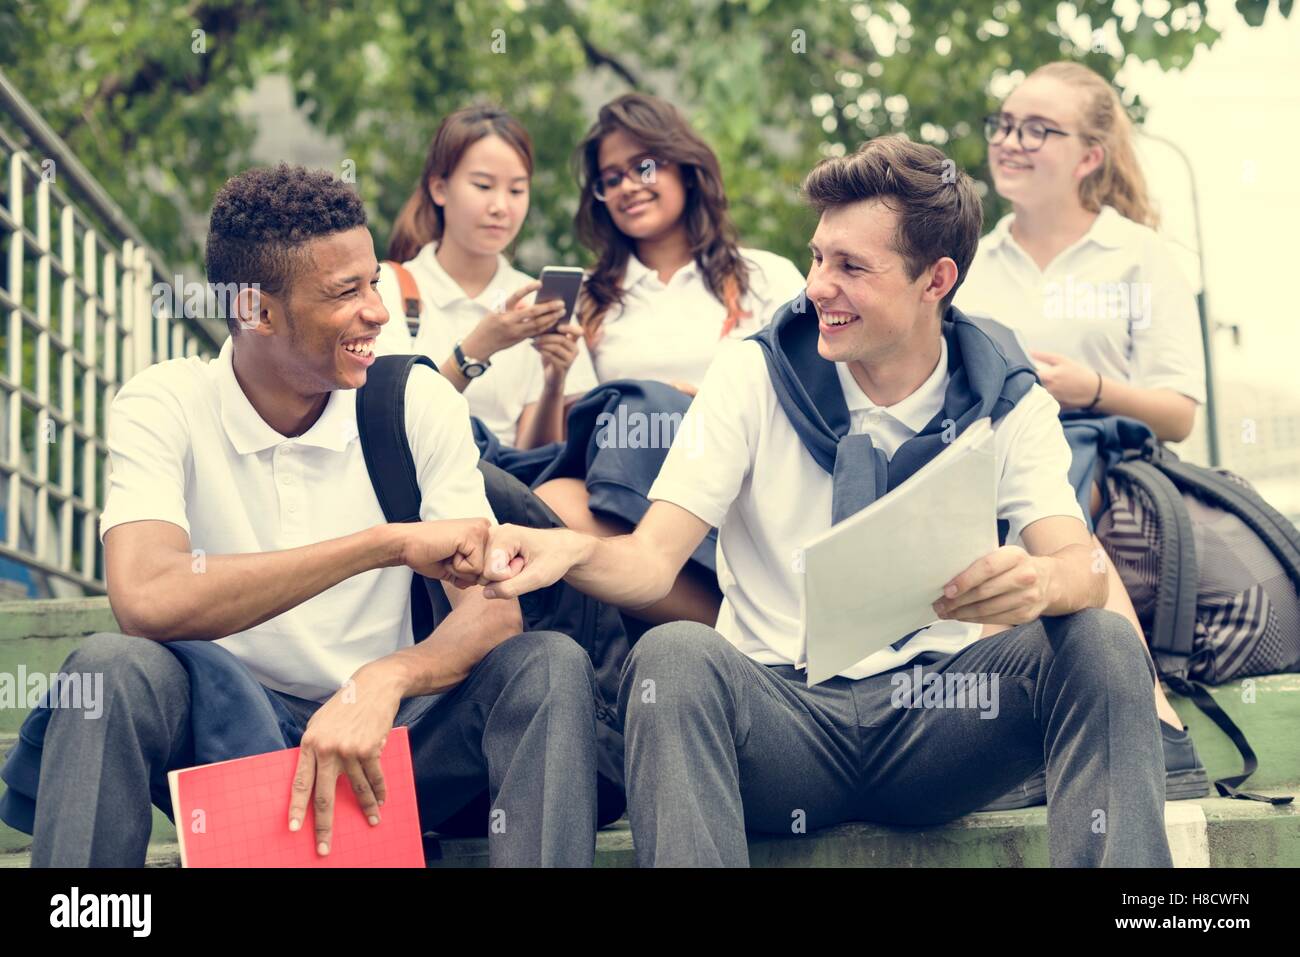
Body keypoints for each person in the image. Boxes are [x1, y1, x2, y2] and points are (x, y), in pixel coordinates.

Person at [477, 136, 1174, 868]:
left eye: (850, 266)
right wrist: (572, 550)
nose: (816, 285)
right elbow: (652, 563)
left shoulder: (1003, 390)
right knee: (673, 656)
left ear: (935, 279)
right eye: (817, 257)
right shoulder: (750, 374)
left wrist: (1041, 583)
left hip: (940, 720)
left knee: (1100, 639)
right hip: (784, 724)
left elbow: (1081, 564)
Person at [5, 165, 599, 867]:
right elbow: (145, 596)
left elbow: (491, 611)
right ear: (255, 309)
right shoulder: (165, 402)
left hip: (398, 742)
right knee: (109, 669)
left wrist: (383, 681)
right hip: (226, 732)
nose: (377, 310)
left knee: (548, 663)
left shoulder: (416, 400)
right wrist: (380, 544)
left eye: (373, 280)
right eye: (346, 292)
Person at [955, 61, 1209, 800]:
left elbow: (1181, 413)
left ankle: (1157, 721)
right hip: (992, 454)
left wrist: (1088, 387)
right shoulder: (973, 261)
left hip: (1103, 453)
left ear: (1089, 156)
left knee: (1040, 520)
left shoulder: (1136, 252)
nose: (1012, 141)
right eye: (1004, 124)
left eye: (1038, 128)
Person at [533, 92, 807, 625]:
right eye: (610, 178)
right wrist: (552, 377)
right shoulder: (590, 298)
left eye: (644, 166)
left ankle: (744, 621)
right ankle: (726, 624)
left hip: (743, 492)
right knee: (552, 503)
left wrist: (714, 405)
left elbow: (813, 406)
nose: (628, 187)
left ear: (686, 168)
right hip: (629, 498)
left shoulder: (766, 277)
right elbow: (554, 446)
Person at [376, 104, 598, 449]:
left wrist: (554, 383)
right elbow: (392, 424)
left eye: (516, 190)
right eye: (483, 185)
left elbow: (537, 460)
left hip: (506, 493)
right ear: (439, 189)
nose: (501, 206)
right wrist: (477, 349)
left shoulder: (533, 301)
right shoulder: (387, 289)